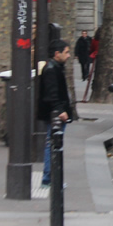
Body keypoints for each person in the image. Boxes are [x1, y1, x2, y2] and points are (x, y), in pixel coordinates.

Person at [38, 39, 73, 187]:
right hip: (55, 114)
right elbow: (52, 94)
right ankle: (49, 177)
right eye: (66, 52)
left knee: (53, 143)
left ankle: (50, 177)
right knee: (53, 145)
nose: (69, 55)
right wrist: (60, 110)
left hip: (55, 112)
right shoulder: (52, 69)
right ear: (57, 53)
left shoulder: (55, 67)